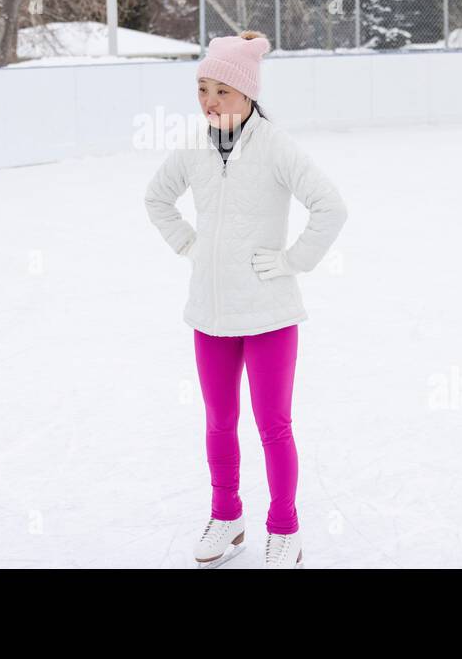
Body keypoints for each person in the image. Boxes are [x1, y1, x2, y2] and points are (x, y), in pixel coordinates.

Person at [144, 30, 348, 569]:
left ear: (248, 94)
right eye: (202, 89)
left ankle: (285, 528)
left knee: (273, 425)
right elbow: (156, 197)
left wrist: (292, 261)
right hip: (210, 315)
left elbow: (330, 206)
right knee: (217, 422)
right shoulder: (192, 147)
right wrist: (189, 244)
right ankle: (227, 517)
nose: (210, 101)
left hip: (269, 314)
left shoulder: (275, 146)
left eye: (222, 91)